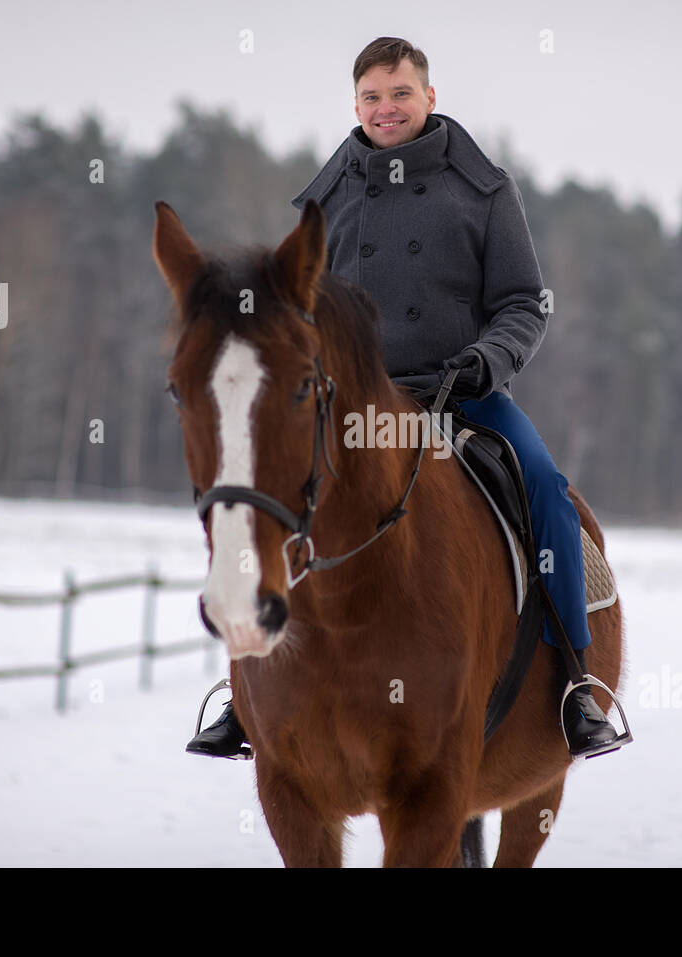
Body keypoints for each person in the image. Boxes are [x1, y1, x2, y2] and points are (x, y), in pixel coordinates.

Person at [187, 36, 624, 759]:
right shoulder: (324, 200)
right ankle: (244, 689)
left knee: (545, 486)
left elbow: (524, 302)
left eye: (400, 94)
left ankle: (577, 682)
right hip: (348, 410)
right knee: (261, 495)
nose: (386, 109)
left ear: (429, 96)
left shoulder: (486, 190)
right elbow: (291, 314)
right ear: (354, 104)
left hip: (464, 397)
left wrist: (488, 358)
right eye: (371, 97)